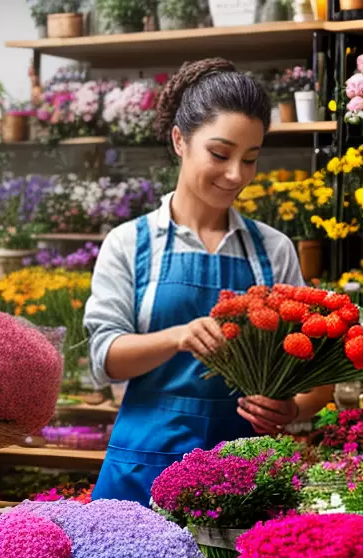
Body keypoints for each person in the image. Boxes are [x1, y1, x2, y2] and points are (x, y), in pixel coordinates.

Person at [85, 59, 333, 505]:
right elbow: (106, 358)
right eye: (220, 154)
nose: (236, 174)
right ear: (180, 140)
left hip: (243, 479)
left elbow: (315, 374)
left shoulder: (273, 249)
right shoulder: (130, 244)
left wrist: (292, 408)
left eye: (250, 158)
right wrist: (177, 337)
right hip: (142, 476)